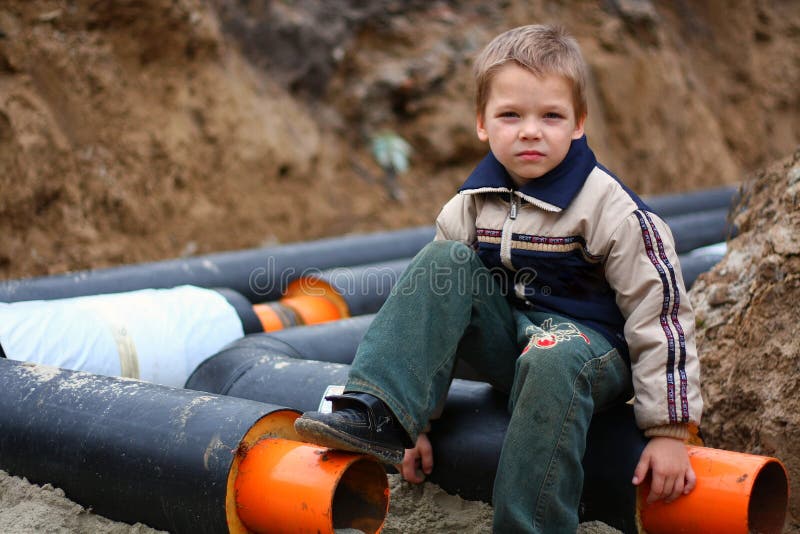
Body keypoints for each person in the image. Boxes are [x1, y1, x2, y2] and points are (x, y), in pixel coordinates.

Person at [295, 24, 702, 533]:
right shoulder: (469, 206)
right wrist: (419, 419)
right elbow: (432, 317)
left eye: (551, 116)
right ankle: (382, 413)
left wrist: (669, 430)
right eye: (511, 115)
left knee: (556, 356)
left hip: (591, 354)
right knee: (441, 265)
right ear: (482, 124)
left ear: (579, 123)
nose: (530, 131)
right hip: (513, 345)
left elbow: (660, 314)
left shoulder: (609, 211)